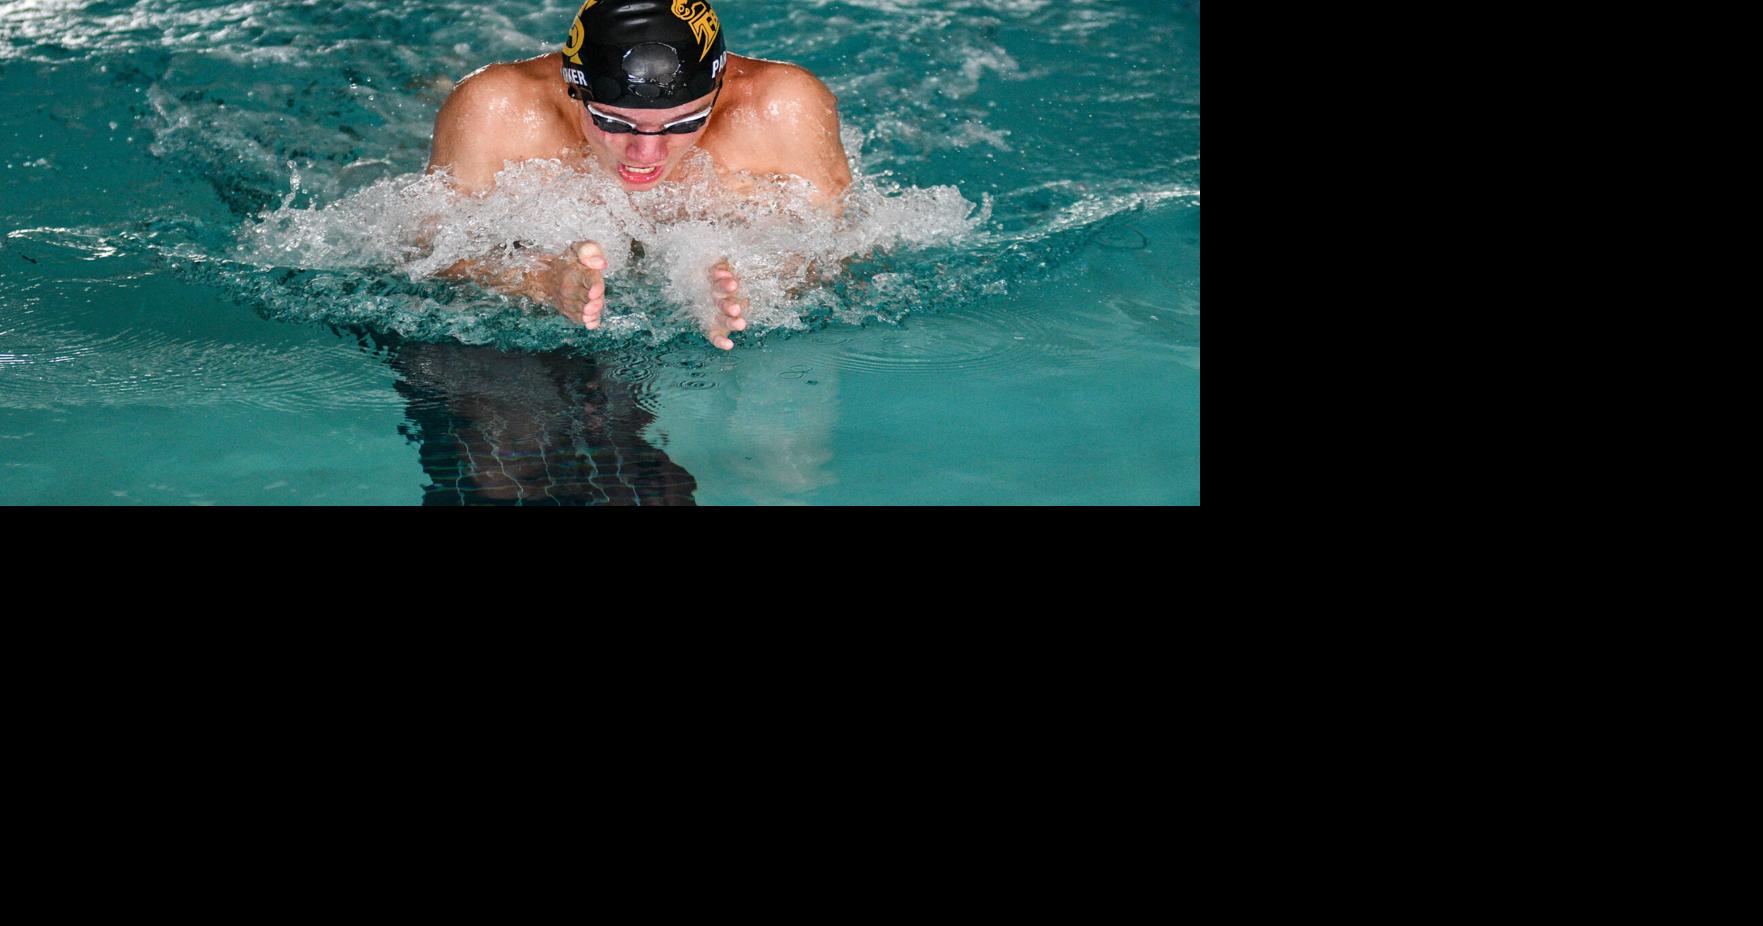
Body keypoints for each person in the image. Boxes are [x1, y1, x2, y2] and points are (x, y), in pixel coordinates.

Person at [426, 0, 852, 349]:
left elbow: (845, 245)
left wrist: (756, 284)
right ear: (573, 89)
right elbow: (425, 252)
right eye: (613, 122)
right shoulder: (496, 109)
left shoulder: (781, 108)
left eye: (686, 122)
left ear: (720, 88)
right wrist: (541, 280)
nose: (646, 153)